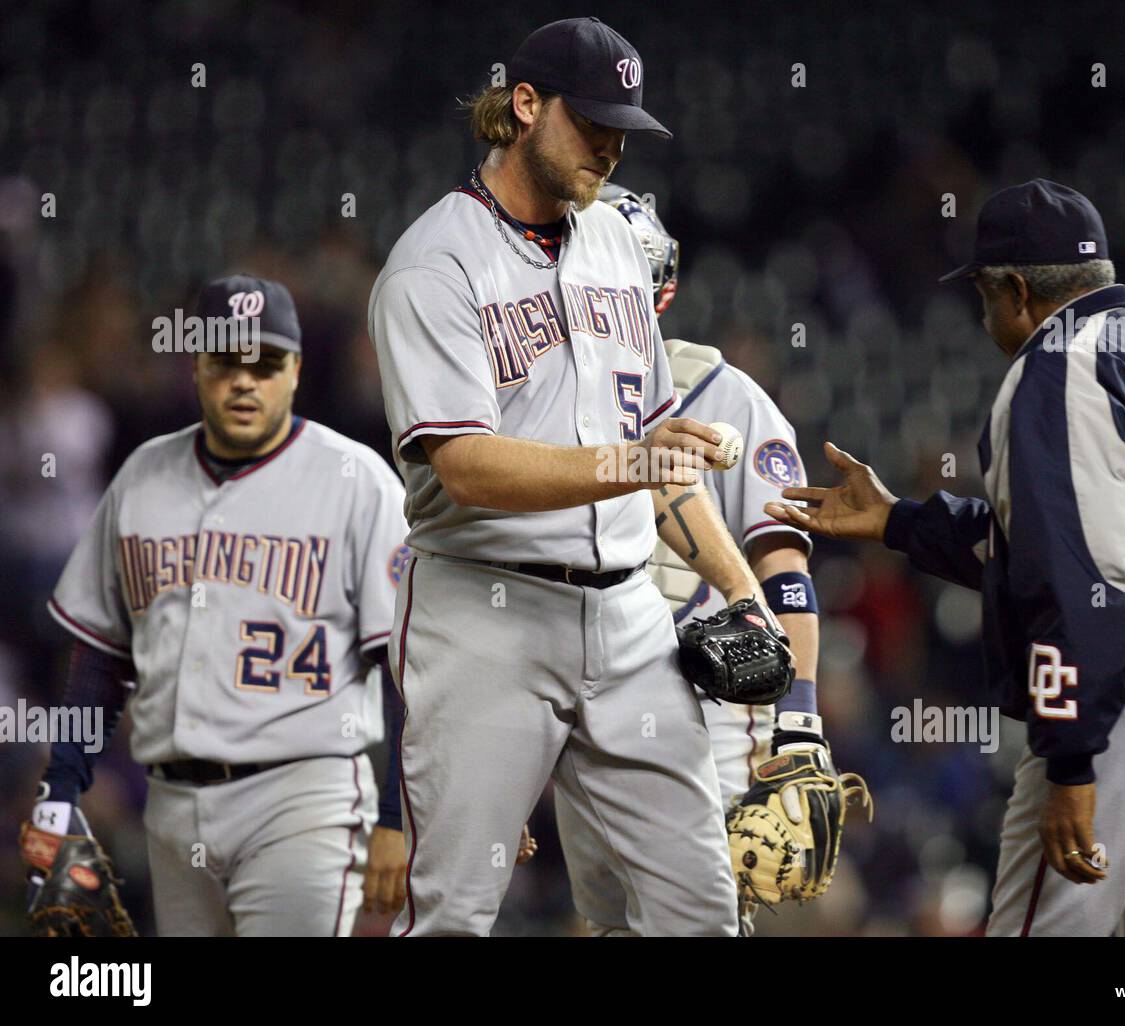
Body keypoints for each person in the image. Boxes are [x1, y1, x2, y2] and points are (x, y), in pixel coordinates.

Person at [765, 179, 1125, 936]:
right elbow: (1078, 544)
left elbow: (1082, 582)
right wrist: (902, 523)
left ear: (1015, 290)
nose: (983, 317)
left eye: (984, 294)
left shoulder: (1057, 367)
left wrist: (1071, 760)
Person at [369, 17, 772, 937]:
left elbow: (659, 455)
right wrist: (633, 460)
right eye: (591, 122)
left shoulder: (616, 245)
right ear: (524, 106)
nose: (611, 146)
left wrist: (740, 590)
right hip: (486, 618)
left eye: (623, 127)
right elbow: (467, 467)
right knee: (452, 915)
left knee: (702, 912)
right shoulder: (434, 264)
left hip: (630, 616)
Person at [21, 274, 409, 936]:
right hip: (172, 808)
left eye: (266, 364)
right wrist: (60, 790)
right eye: (226, 361)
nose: (244, 382)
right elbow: (101, 656)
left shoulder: (357, 481)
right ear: (195, 364)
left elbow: (410, 665)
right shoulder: (142, 477)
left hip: (303, 802)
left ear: (295, 371)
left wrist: (397, 817)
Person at [552, 183, 843, 935]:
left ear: (660, 293)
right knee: (608, 921)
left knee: (699, 922)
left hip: (710, 697)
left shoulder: (722, 394)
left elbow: (785, 570)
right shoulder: (540, 400)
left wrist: (799, 721)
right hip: (578, 698)